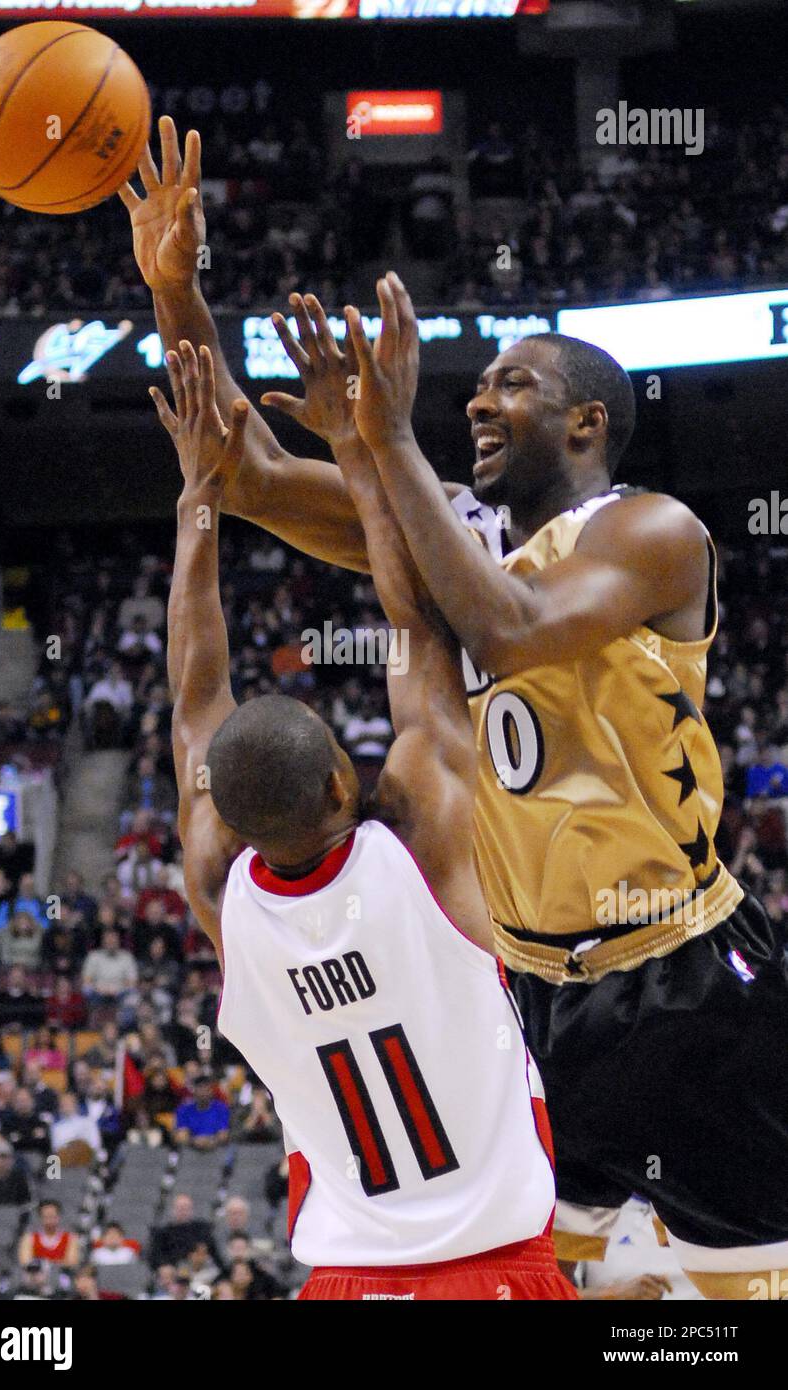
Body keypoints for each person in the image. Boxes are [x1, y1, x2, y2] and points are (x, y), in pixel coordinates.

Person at [120, 124, 788, 1298]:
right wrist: (178, 288)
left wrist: (381, 447)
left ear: (587, 422)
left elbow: (511, 630)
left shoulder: (650, 530)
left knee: (746, 1290)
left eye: (511, 384)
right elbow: (244, 471)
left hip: (681, 971)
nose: (476, 401)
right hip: (533, 991)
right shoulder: (453, 540)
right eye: (475, 384)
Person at [145, 331, 571, 1302]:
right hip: (495, 1269)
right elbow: (417, 621)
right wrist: (359, 444)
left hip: (342, 1276)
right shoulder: (421, 836)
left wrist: (196, 503)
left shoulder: (220, 890)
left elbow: (191, 696)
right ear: (344, 783)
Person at [17, 1200, 79, 1269]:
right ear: (40, 1218)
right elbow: (25, 1262)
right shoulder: (29, 1238)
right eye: (46, 1217)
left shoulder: (70, 1238)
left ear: (58, 1217)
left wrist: (45, 1264)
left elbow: (72, 1262)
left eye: (52, 1216)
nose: (49, 1220)